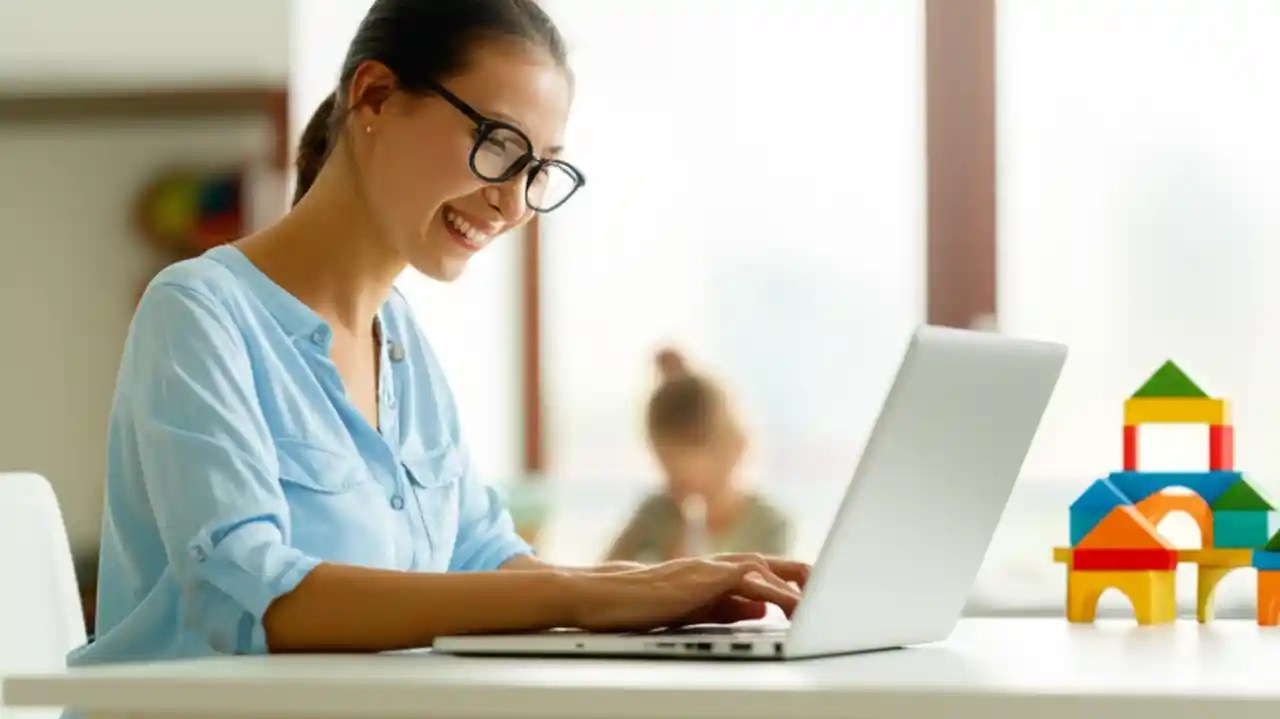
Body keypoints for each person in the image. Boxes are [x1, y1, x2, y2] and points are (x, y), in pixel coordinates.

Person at [69, 0, 807, 666]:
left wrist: (670, 587)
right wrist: (596, 599)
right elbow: (260, 602)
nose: (513, 202)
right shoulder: (199, 312)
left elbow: (481, 556)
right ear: (376, 96)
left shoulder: (400, 341)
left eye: (539, 171)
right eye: (498, 145)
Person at [606, 349, 791, 563]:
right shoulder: (654, 515)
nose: (674, 485)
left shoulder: (768, 524)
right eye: (667, 468)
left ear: (733, 450)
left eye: (688, 479)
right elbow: (604, 577)